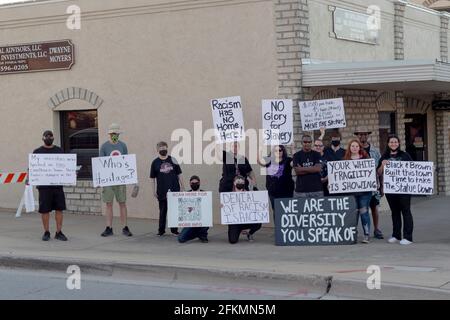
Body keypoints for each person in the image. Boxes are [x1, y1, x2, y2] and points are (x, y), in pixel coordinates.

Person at [377, 135, 414, 245]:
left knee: (406, 211)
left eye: (395, 142)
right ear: (388, 144)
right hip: (391, 190)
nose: (393, 144)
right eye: (391, 142)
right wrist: (382, 166)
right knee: (395, 212)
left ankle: (408, 237)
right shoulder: (384, 156)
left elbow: (413, 169)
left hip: (404, 189)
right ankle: (396, 235)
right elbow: (378, 173)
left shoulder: (405, 155)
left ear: (398, 143)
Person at [32, 130, 68, 241]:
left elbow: (65, 166)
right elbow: (33, 168)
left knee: (59, 209)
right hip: (44, 187)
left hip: (57, 186)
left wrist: (71, 172)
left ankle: (59, 232)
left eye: (50, 136)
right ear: (43, 138)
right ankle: (46, 232)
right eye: (46, 136)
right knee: (45, 210)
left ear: (53, 138)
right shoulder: (37, 152)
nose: (49, 138)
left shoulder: (59, 151)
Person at [99, 123, 133, 237]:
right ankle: (109, 227)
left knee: (122, 203)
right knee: (109, 203)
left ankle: (125, 226)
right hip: (108, 179)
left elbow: (126, 161)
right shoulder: (104, 147)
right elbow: (101, 163)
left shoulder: (123, 146)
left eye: (116, 133)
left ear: (118, 134)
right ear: (109, 134)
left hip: (120, 179)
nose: (114, 135)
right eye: (112, 133)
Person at [355, 126, 384, 239]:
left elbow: (380, 170)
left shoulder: (375, 151)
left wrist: (382, 186)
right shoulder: (353, 150)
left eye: (365, 134)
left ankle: (376, 229)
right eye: (360, 134)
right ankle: (355, 230)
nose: (363, 136)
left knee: (374, 207)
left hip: (373, 184)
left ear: (368, 135)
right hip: (357, 186)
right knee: (358, 208)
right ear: (357, 136)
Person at [150, 141, 184, 236]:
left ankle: (174, 230)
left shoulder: (173, 160)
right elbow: (152, 179)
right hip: (161, 191)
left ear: (167, 148)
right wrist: (153, 191)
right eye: (161, 149)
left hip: (174, 190)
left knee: (174, 211)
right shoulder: (155, 163)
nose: (163, 150)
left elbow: (179, 174)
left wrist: (182, 186)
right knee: (162, 211)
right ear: (157, 150)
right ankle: (161, 230)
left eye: (165, 148)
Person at [344, 139, 373, 243]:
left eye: (356, 146)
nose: (354, 148)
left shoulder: (366, 159)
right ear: (349, 148)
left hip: (364, 192)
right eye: (352, 146)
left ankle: (366, 234)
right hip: (351, 193)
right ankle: (353, 234)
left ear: (360, 148)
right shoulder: (345, 160)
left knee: (364, 213)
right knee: (353, 213)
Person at [257, 145, 294, 215]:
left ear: (283, 151)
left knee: (287, 212)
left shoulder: (288, 160)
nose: (278, 152)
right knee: (276, 212)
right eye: (276, 150)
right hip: (273, 192)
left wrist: (293, 150)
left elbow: (294, 164)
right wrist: (260, 148)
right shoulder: (269, 160)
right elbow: (260, 161)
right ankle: (277, 226)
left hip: (287, 192)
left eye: (280, 150)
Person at [227, 176, 262, 244]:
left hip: (246, 220)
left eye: (242, 182)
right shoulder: (229, 196)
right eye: (238, 182)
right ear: (234, 183)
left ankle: (249, 233)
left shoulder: (249, 194)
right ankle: (237, 230)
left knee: (258, 223)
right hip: (235, 222)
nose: (240, 183)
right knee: (233, 241)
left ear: (244, 183)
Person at [178, 175, 210, 243]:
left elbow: (208, 208)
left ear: (199, 183)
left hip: (202, 221)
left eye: (196, 183)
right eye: (192, 183)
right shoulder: (186, 194)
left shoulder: (204, 194)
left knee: (207, 220)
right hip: (190, 222)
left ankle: (203, 235)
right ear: (190, 184)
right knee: (181, 239)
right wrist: (169, 196)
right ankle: (197, 234)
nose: (194, 184)